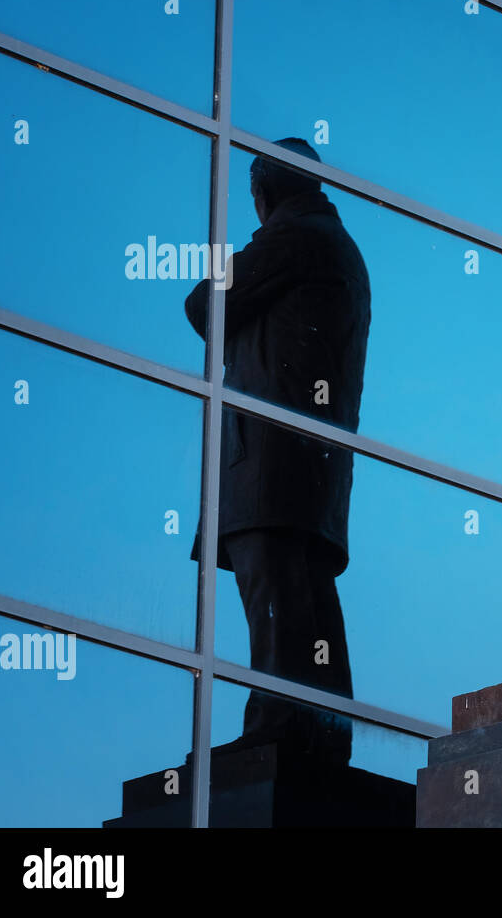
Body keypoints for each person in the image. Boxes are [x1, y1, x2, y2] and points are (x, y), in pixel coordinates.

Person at [185, 137, 371, 764]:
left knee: (278, 595)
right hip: (304, 462)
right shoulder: (332, 242)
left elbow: (204, 306)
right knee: (304, 595)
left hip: (272, 459)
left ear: (265, 195)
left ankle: (279, 726)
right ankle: (318, 729)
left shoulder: (294, 236)